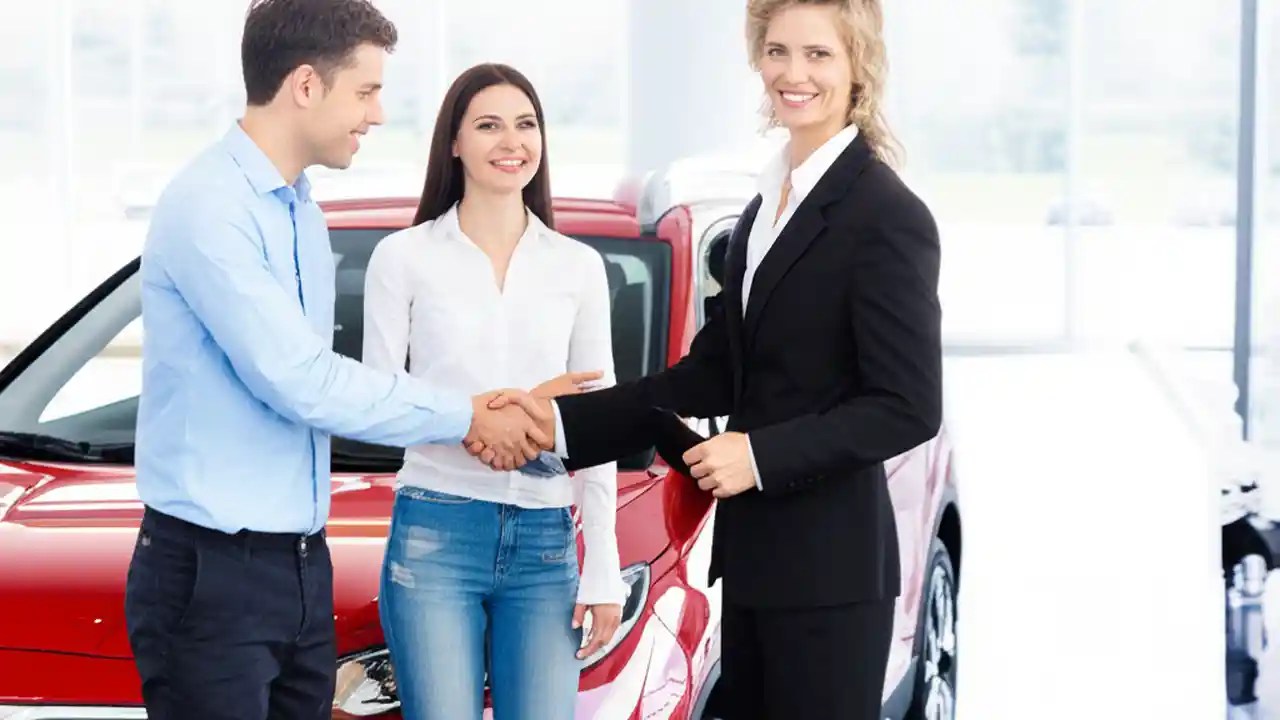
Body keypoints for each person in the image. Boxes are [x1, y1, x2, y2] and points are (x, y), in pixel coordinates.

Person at [477, 1, 943, 717]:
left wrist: (757, 455)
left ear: (858, 68)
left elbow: (907, 405)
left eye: (818, 55)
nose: (794, 74)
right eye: (778, 51)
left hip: (831, 580)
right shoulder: (766, 207)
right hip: (756, 565)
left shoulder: (886, 215)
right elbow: (711, 373)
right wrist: (558, 422)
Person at [124, 3, 555, 719]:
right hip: (211, 574)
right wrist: (471, 413)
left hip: (296, 563)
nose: (377, 114)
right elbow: (300, 381)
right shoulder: (209, 207)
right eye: (365, 91)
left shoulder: (299, 209)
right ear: (304, 85)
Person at [360, 63, 627, 720]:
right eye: (488, 125)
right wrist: (490, 419)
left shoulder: (578, 268)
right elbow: (378, 407)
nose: (512, 142)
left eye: (526, 124)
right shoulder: (403, 258)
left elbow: (599, 425)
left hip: (545, 541)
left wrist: (603, 567)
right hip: (436, 531)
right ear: (453, 142)